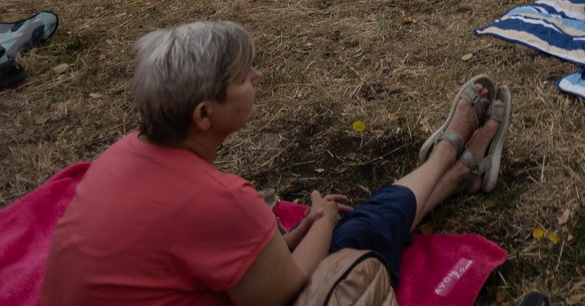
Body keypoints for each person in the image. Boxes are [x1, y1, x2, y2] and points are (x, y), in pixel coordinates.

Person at [43, 21, 513, 305]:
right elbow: (282, 290)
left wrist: (295, 233)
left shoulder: (122, 154)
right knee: (356, 233)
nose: (258, 76)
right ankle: (449, 159)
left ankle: (450, 172)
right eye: (243, 76)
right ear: (204, 115)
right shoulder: (220, 198)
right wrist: (324, 220)